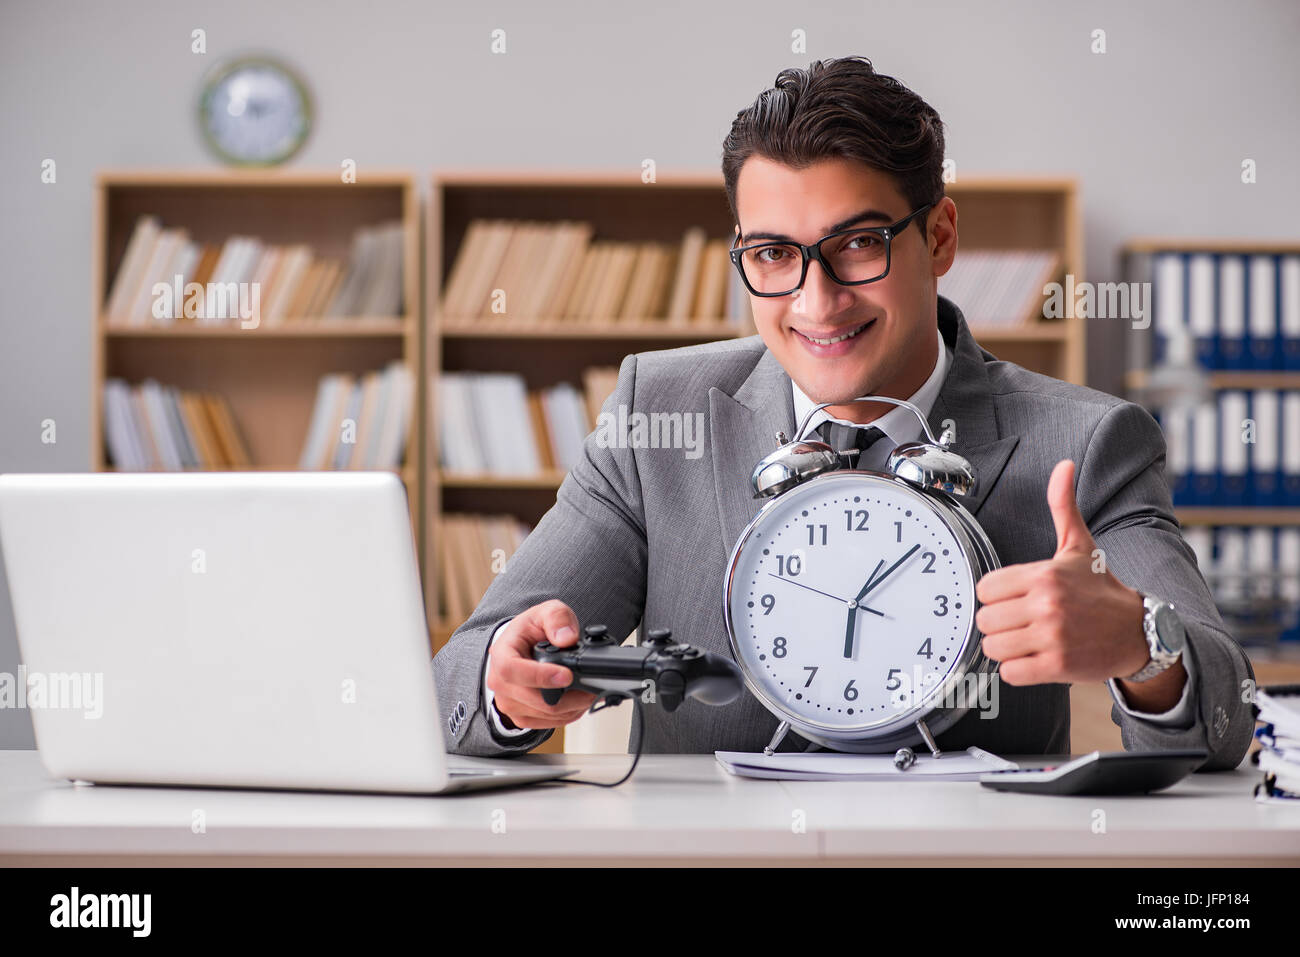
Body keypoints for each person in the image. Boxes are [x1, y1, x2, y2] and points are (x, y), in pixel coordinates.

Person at [432, 55, 1254, 770]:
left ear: (939, 236)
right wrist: (509, 681)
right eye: (773, 255)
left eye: (858, 244)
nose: (815, 300)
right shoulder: (659, 416)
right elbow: (455, 682)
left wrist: (1145, 645)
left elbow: (1229, 715)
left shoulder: (1086, 440)